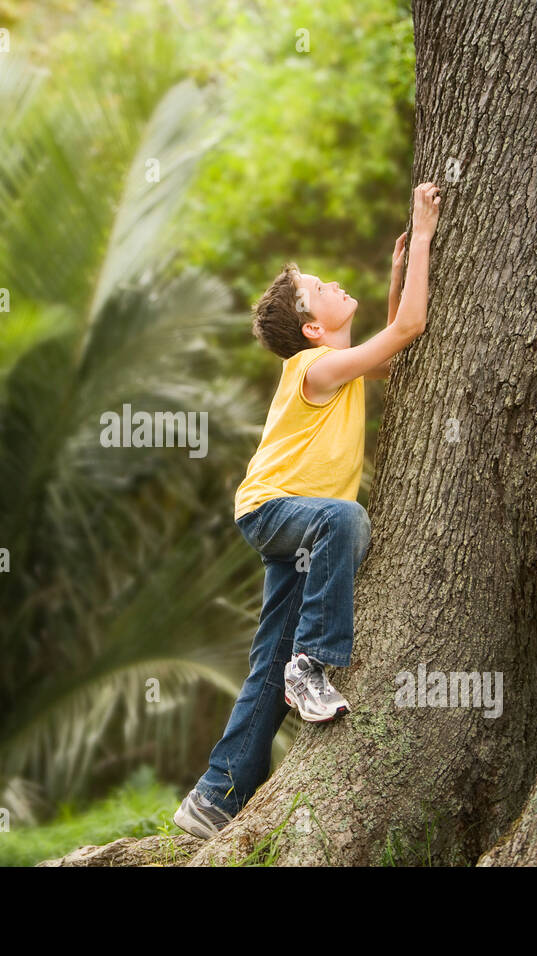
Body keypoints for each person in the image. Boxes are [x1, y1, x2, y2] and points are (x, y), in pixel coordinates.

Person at [174, 182, 443, 839]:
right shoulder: (313, 370)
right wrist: (428, 233)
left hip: (294, 529)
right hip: (276, 512)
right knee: (347, 520)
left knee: (266, 663)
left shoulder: (338, 365)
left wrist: (398, 274)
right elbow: (408, 330)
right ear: (313, 328)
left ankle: (215, 797)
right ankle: (314, 665)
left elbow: (390, 354)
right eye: (317, 288)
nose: (328, 284)